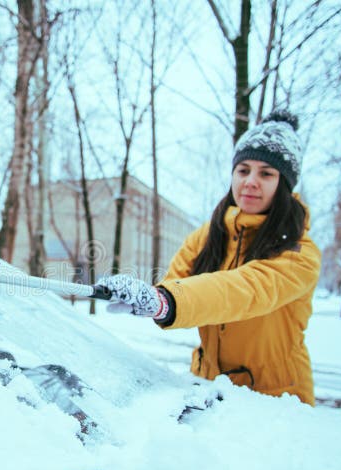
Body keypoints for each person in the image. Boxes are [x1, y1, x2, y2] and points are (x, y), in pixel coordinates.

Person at [98, 110, 321, 405]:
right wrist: (154, 298)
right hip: (208, 385)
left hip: (276, 400)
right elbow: (174, 286)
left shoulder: (299, 252)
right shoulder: (208, 236)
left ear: (285, 185)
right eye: (243, 170)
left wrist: (168, 300)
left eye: (266, 173)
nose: (250, 181)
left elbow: (245, 290)